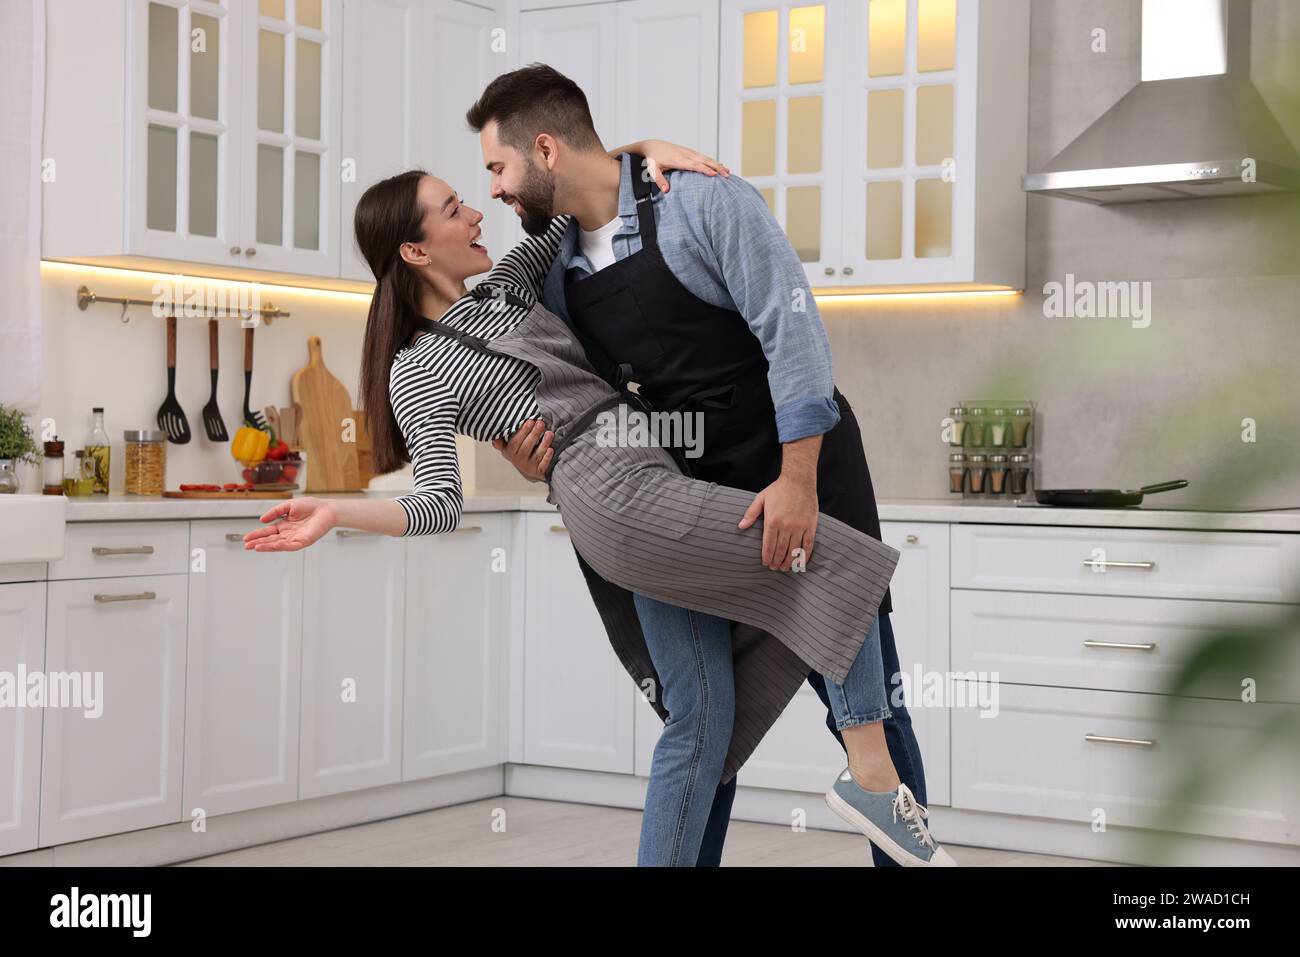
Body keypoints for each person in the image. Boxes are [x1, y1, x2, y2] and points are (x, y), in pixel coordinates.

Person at [242, 144, 953, 867]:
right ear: (416, 247)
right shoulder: (414, 368)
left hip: (649, 480)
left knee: (701, 718)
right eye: (456, 208)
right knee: (823, 554)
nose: (478, 209)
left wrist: (642, 149)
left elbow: (578, 188)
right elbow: (439, 500)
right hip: (620, 500)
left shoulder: (509, 287)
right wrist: (335, 512)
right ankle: (871, 776)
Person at [468, 64, 930, 867]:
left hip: (801, 468)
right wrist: (515, 438)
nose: (497, 191)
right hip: (686, 499)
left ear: (544, 149)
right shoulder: (545, 269)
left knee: (867, 707)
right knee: (705, 722)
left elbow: (797, 343)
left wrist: (796, 482)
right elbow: (530, 376)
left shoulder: (705, 202)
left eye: (499, 169)